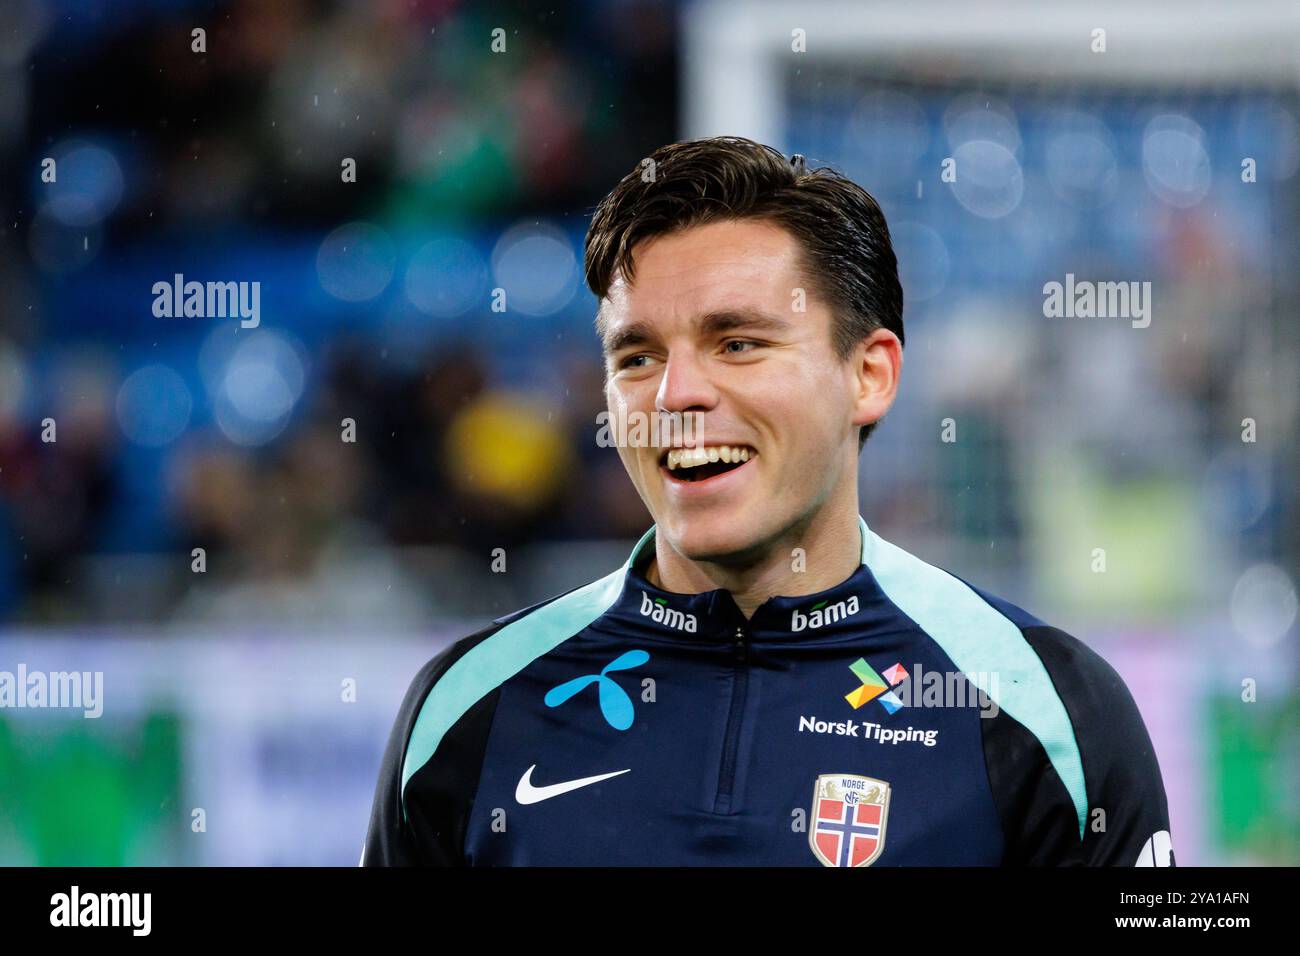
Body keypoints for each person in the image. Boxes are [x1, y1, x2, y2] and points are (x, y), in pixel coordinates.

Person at [362, 135, 1174, 866]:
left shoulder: (1040, 708)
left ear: (870, 375)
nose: (676, 393)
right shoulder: (471, 709)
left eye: (738, 343)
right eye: (637, 356)